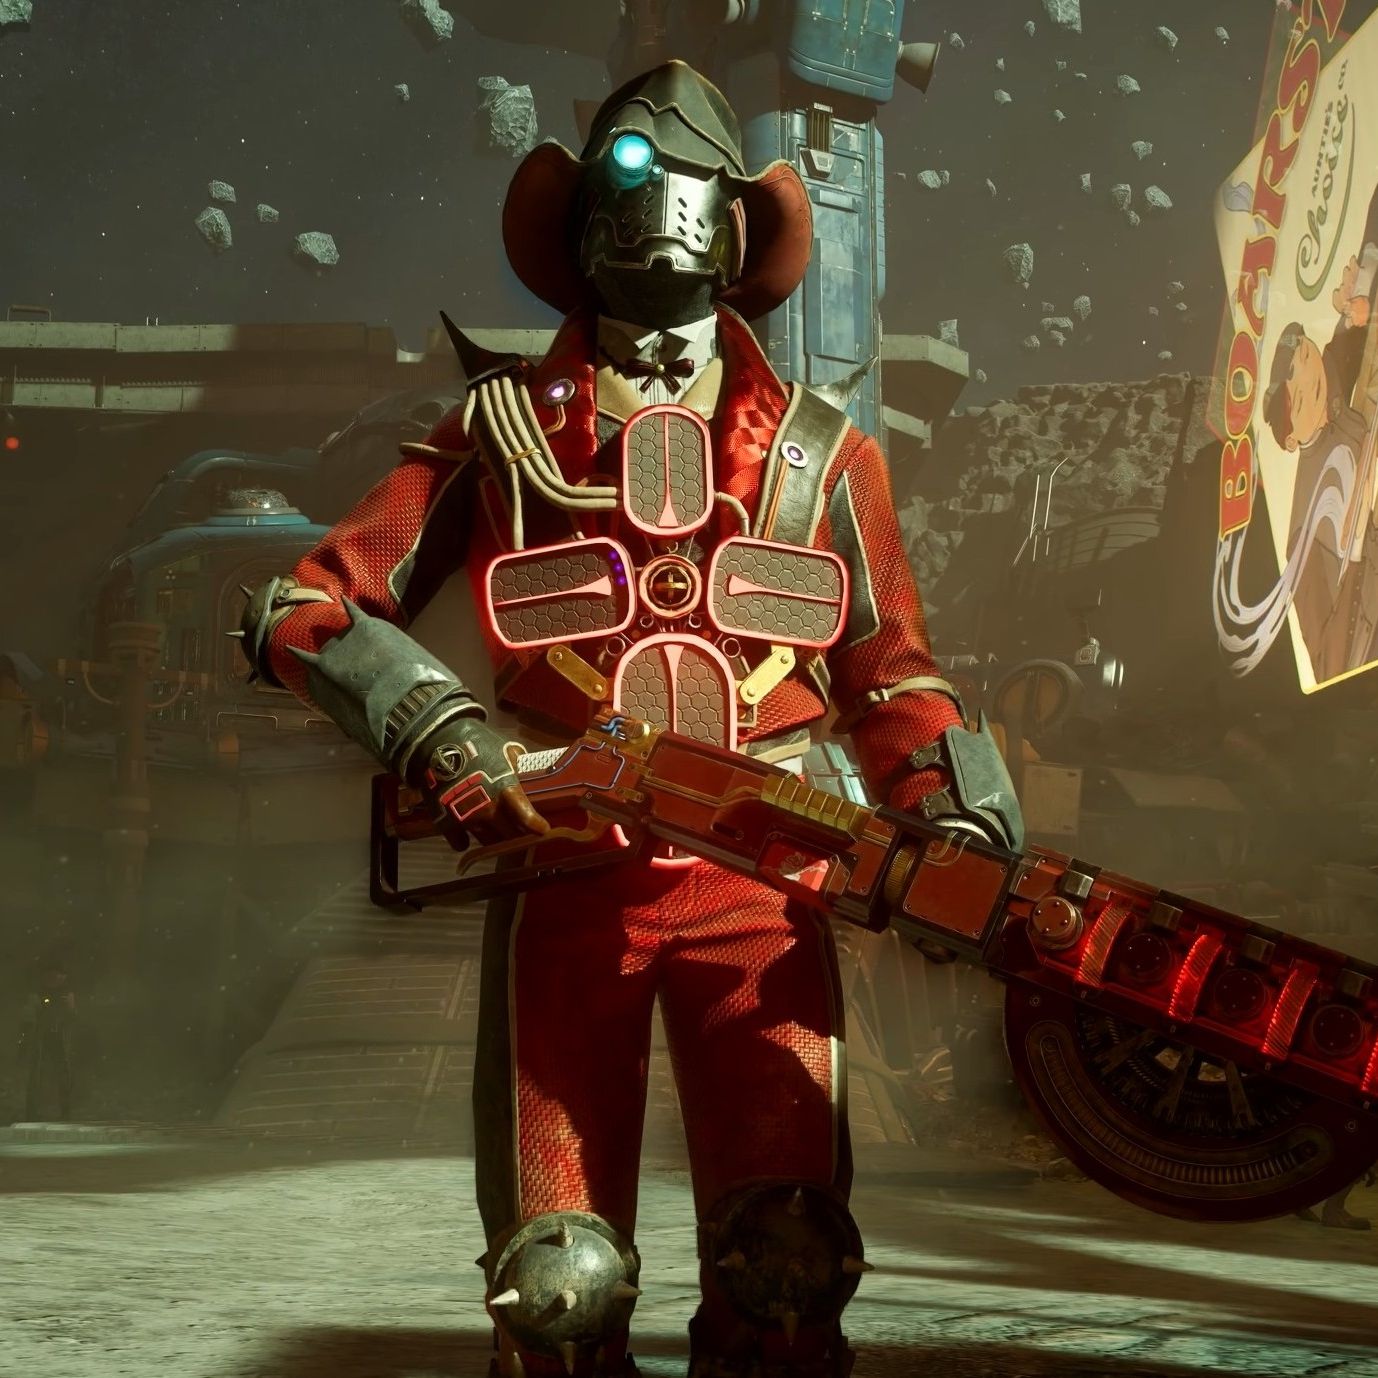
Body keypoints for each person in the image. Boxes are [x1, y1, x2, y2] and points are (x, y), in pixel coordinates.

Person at [237, 62, 1021, 1378]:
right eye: (629, 180)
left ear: (734, 228)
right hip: (568, 875)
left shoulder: (821, 452)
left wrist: (952, 805)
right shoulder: (498, 432)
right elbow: (305, 606)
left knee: (785, 1265)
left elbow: (890, 673)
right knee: (560, 1283)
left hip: (764, 880)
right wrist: (439, 732)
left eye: (684, 183)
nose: (656, 205)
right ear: (582, 227)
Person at [1263, 189, 1378, 682]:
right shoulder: (1304, 539)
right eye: (1302, 384)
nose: (1315, 372)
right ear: (1290, 437)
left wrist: (1352, 312)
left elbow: (1341, 350)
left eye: (1308, 358)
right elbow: (1332, 663)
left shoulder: (1330, 404)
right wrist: (1363, 537)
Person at [18, 962, 76, 1121]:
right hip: (40, 1037)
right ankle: (32, 1112)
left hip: (58, 1037)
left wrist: (69, 1008)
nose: (55, 980)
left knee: (62, 1073)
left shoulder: (66, 993)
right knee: (37, 1074)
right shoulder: (37, 993)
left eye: (58, 977)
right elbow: (28, 1018)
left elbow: (72, 1017)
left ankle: (64, 1111)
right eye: (51, 977)